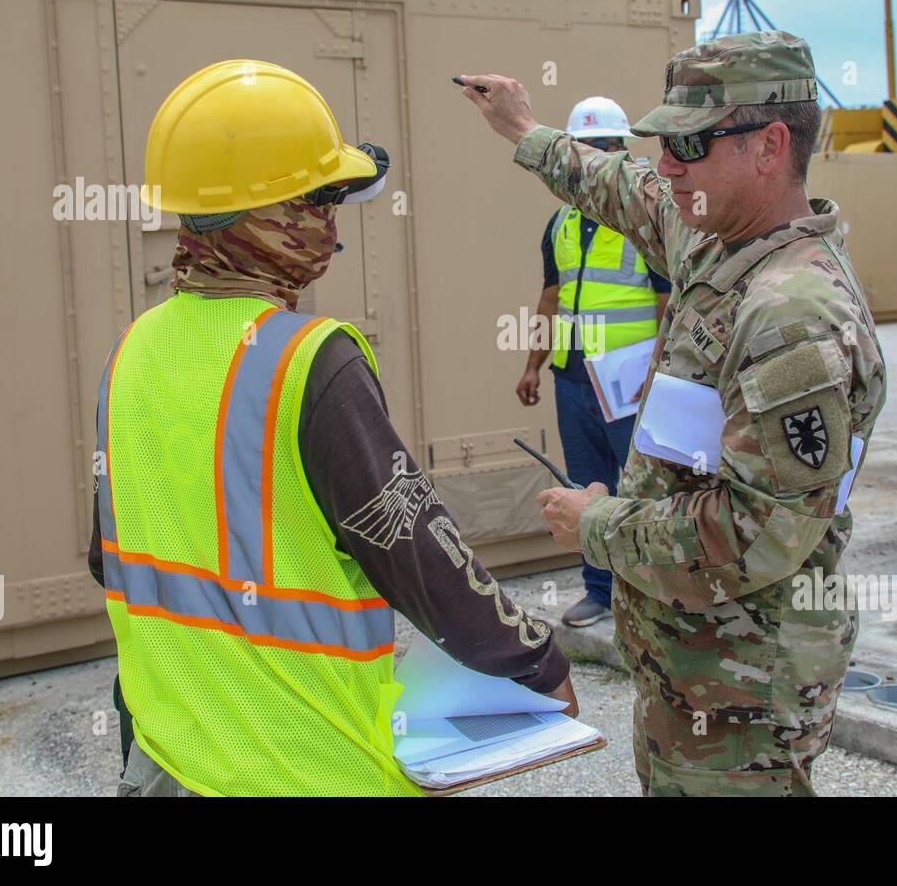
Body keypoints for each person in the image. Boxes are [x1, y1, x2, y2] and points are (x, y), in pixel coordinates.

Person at [90, 60, 575, 797]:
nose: (330, 223)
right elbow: (420, 556)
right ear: (259, 215)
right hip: (308, 769)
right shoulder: (311, 359)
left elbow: (108, 558)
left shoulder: (131, 350)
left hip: (167, 759)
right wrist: (536, 663)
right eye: (316, 200)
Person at [457, 30, 887, 797]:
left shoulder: (793, 314)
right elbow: (621, 186)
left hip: (744, 690)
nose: (667, 164)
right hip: (689, 663)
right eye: (664, 142)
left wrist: (599, 524)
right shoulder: (716, 238)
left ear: (769, 145)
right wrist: (526, 130)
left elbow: (760, 535)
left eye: (689, 143)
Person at [516, 96, 671, 627]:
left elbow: (666, 302)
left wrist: (663, 372)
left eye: (604, 147)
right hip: (574, 378)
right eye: (585, 147)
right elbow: (550, 298)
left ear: (621, 152)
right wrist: (533, 364)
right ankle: (599, 591)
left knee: (640, 487)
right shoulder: (560, 222)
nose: (594, 158)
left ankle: (645, 597)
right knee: (586, 485)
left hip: (630, 385)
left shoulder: (644, 218)